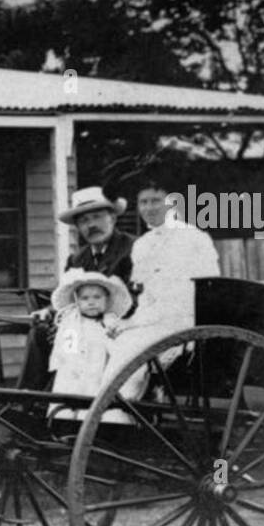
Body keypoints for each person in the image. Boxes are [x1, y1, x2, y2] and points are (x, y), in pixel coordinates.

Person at [101, 180, 221, 400]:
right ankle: (113, 413)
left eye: (156, 201)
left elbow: (206, 291)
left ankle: (115, 413)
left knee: (128, 350)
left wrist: (138, 324)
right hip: (152, 321)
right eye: (143, 202)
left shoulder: (193, 238)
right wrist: (130, 322)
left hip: (183, 321)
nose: (149, 208)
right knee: (106, 343)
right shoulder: (142, 245)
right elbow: (147, 298)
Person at [18, 186, 137, 389]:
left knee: (69, 340)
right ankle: (27, 398)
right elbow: (68, 297)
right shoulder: (77, 258)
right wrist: (49, 312)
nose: (91, 225)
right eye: (83, 221)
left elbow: (132, 304)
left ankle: (57, 401)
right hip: (79, 328)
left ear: (113, 218)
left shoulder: (132, 249)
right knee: (40, 333)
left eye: (97, 217)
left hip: (118, 329)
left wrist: (79, 327)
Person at [46, 269, 132, 421]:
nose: (91, 302)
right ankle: (64, 423)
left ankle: (89, 427)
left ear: (107, 300)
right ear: (77, 301)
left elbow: (118, 351)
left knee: (92, 405)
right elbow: (67, 349)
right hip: (73, 372)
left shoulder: (110, 323)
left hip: (98, 372)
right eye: (85, 298)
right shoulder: (71, 322)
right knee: (66, 405)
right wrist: (74, 366)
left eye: (97, 297)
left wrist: (113, 337)